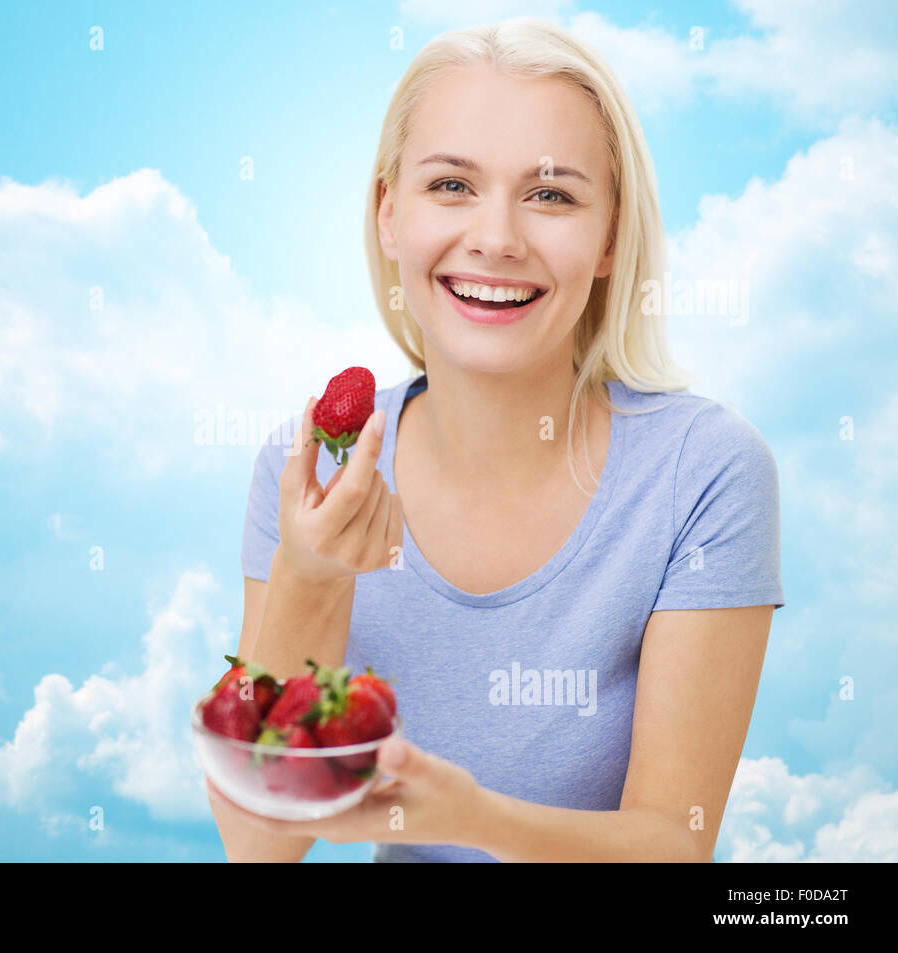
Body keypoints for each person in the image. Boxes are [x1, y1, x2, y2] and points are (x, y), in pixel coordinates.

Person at [207, 17, 785, 862]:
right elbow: (260, 843)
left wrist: (470, 817)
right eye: (451, 186)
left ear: (612, 236)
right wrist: (313, 571)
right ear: (388, 214)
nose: (497, 237)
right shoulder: (310, 474)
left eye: (551, 195)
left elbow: (674, 842)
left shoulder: (704, 472)